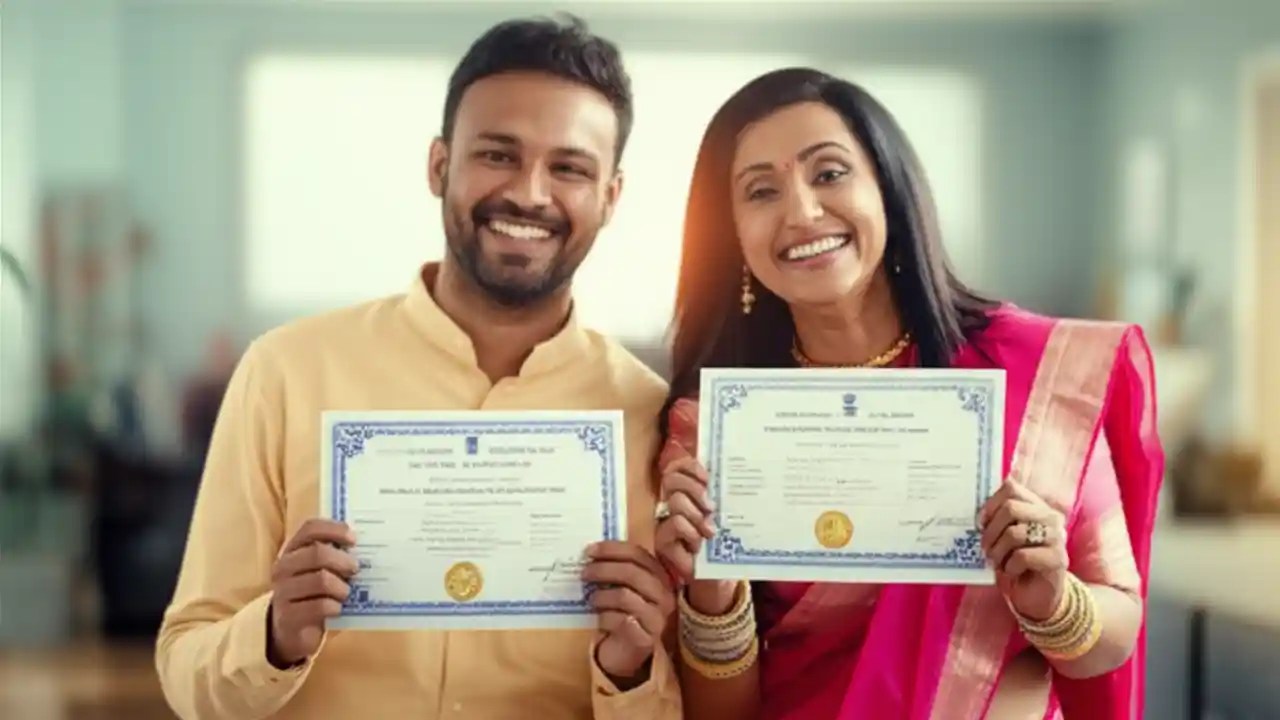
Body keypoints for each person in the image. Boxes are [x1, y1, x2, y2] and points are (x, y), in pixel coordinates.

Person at [155, 16, 681, 720]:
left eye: (569, 167)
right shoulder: (285, 372)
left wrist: (633, 672)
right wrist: (275, 635)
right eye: (498, 154)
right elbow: (186, 674)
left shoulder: (650, 417)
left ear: (610, 197)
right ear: (440, 166)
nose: (529, 192)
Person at [653, 67, 1163, 720]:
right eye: (760, 191)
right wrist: (713, 597)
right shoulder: (713, 427)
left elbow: (1116, 632)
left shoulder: (1032, 375)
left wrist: (1053, 601)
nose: (802, 211)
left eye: (829, 173)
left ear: (889, 190)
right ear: (733, 237)